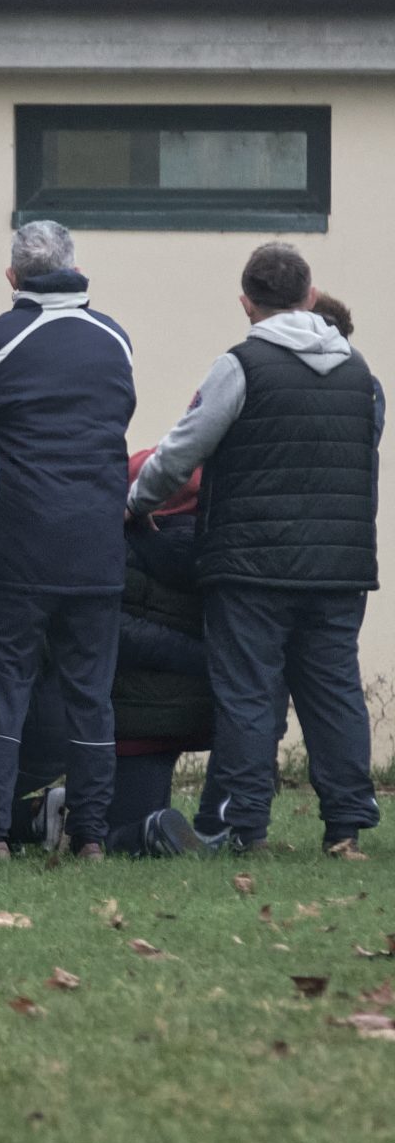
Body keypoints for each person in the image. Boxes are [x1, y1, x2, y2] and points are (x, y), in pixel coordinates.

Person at [128, 242, 381, 857]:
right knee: (334, 690)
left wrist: (137, 502)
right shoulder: (363, 377)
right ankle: (345, 826)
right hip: (340, 566)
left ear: (247, 303)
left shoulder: (239, 366)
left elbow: (182, 452)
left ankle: (241, 826)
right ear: (311, 295)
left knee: (248, 693)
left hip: (250, 565)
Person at [0, 220, 135, 859]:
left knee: (3, 691)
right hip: (97, 546)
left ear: (13, 278)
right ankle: (89, 836)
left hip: (18, 544)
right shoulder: (116, 339)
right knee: (92, 695)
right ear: (74, 266)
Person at [108, 449, 215, 858]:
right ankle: (159, 824)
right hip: (194, 713)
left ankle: (145, 830)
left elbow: (123, 633)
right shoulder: (217, 550)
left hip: (136, 718)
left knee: (115, 831)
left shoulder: (123, 548)